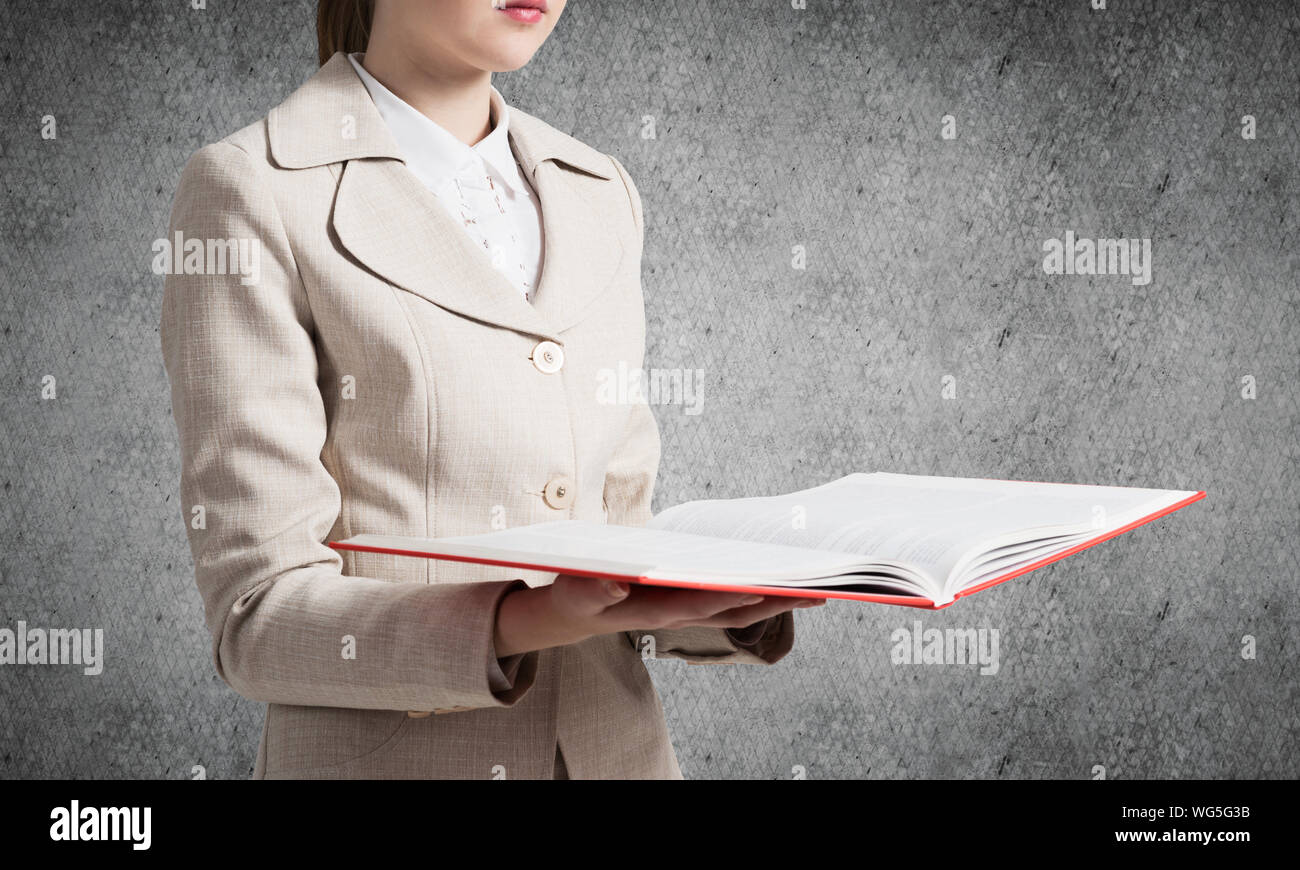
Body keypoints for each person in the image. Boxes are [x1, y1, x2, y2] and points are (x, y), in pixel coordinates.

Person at [160, 0, 821, 779]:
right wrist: (518, 618)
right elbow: (256, 620)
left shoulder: (600, 188)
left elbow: (620, 546)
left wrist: (737, 603)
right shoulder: (251, 190)